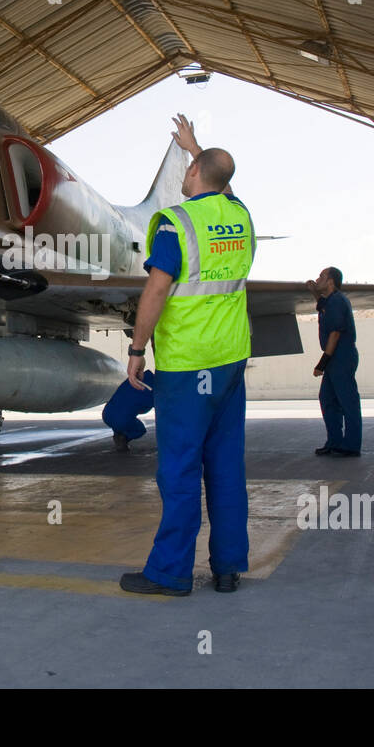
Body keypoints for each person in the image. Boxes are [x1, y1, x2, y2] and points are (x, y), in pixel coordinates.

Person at [120, 114, 253, 596]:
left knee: (178, 469)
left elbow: (155, 292)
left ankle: (170, 573)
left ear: (195, 173)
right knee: (224, 466)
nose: (186, 170)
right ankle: (227, 568)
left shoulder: (177, 224)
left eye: (190, 165)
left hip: (186, 366)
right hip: (230, 363)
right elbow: (228, 189)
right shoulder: (240, 216)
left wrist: (137, 350)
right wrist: (196, 146)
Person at [307, 266, 361, 457]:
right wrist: (314, 292)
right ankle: (335, 441)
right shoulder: (330, 301)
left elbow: (335, 333)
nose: (318, 278)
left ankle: (352, 445)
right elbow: (322, 306)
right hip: (335, 358)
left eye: (321, 276)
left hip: (341, 356)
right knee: (327, 399)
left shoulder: (337, 302)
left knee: (347, 401)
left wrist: (322, 363)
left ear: (330, 281)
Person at [102, 370, 154, 451]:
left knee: (119, 418)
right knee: (140, 430)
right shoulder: (154, 391)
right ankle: (124, 438)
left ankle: (118, 434)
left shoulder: (133, 379)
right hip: (122, 419)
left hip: (106, 414)